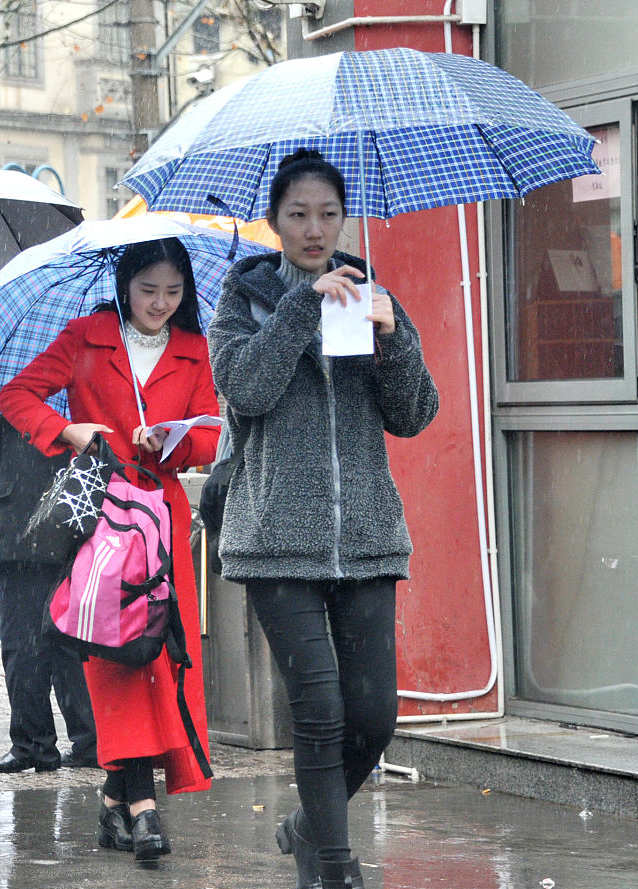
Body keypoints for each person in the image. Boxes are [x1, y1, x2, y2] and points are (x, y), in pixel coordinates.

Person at [207, 149, 440, 889]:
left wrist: (393, 335)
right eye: (299, 214)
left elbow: (414, 414)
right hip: (277, 538)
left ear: (344, 217)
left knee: (373, 716)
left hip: (367, 536)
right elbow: (246, 388)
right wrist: (302, 305)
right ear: (274, 221)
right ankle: (333, 864)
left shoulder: (372, 293)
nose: (315, 228)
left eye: (328, 213)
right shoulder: (240, 300)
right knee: (320, 707)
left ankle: (310, 824)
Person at [0, 238, 218, 861]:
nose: (160, 303)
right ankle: (142, 805)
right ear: (126, 286)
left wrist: (172, 441)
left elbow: (210, 431)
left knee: (157, 651)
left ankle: (116, 800)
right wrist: (65, 429)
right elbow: (18, 397)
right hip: (101, 518)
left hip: (164, 520)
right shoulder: (88, 336)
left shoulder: (195, 350)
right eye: (148, 290)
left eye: (173, 292)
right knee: (113, 653)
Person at [0, 417, 96, 775]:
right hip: (70, 520)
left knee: (26, 644)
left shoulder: (13, 381)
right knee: (69, 641)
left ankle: (34, 744)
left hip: (28, 523)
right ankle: (88, 739)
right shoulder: (70, 370)